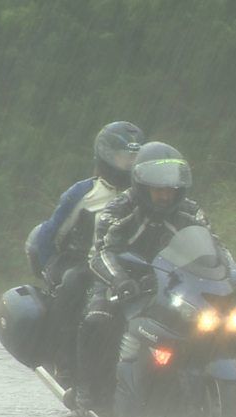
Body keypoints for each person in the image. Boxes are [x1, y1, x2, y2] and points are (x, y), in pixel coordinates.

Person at [75, 141, 214, 414]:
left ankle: (200, 384)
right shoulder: (118, 210)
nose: (165, 196)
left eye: (171, 190)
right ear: (142, 187)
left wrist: (229, 275)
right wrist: (119, 280)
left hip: (173, 284)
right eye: (158, 190)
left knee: (214, 324)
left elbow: (213, 247)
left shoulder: (191, 211)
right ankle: (86, 391)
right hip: (122, 282)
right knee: (98, 321)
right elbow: (100, 254)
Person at [24, 121, 145, 387]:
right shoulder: (83, 193)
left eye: (134, 158)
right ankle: (65, 361)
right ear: (105, 156)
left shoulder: (146, 194)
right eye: (123, 157)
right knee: (72, 284)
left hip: (135, 268)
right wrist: (51, 273)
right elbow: (48, 236)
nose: (128, 164)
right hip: (89, 265)